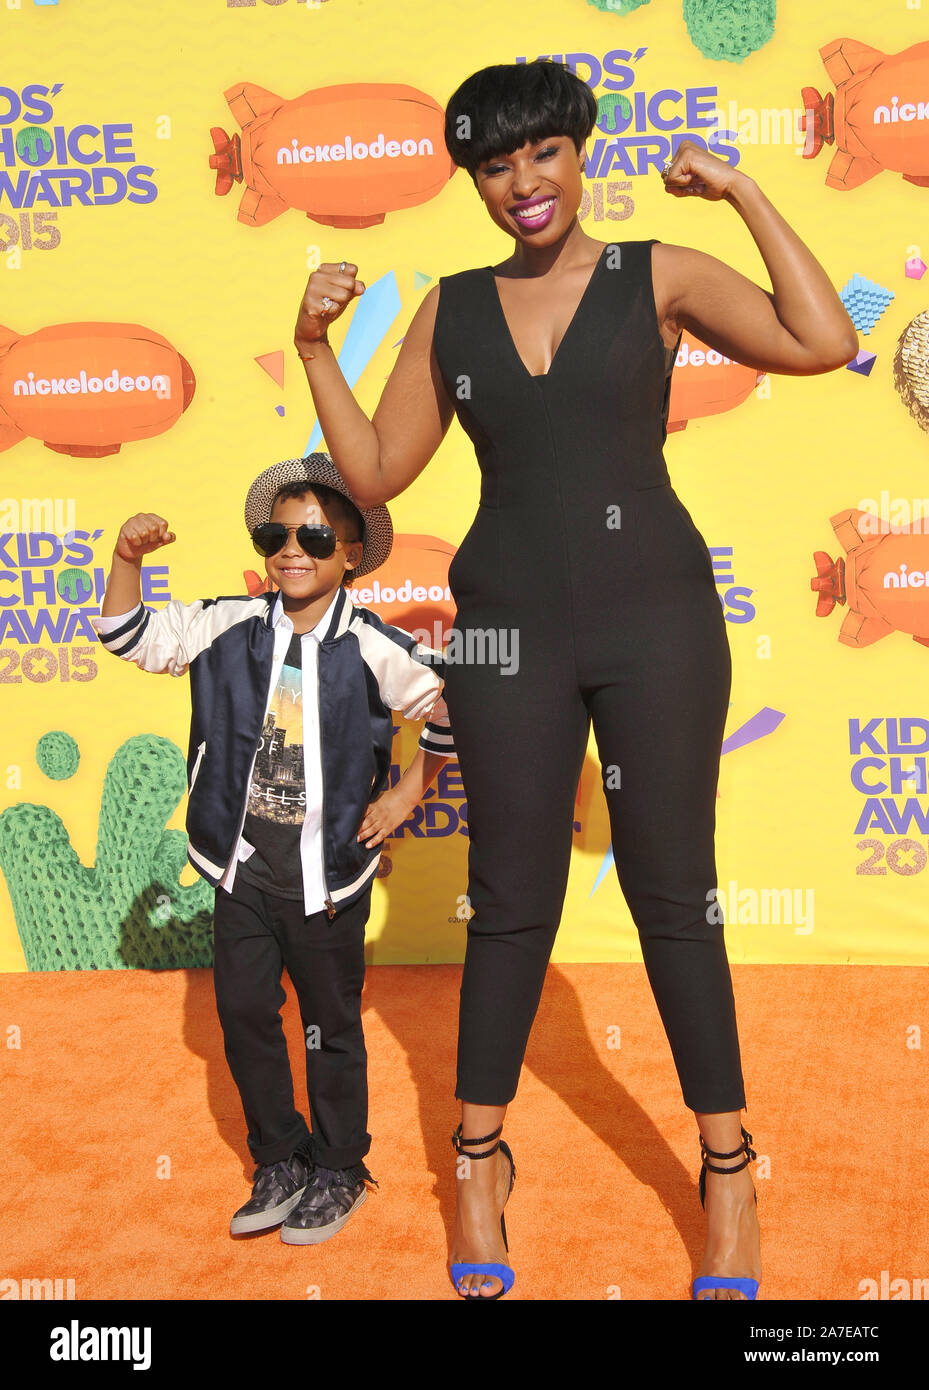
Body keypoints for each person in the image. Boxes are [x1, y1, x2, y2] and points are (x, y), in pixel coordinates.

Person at [291, 61, 858, 1298]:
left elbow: (825, 339)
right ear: (477, 182)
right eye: (494, 166)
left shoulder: (654, 273)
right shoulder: (451, 308)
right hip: (503, 631)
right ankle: (481, 1159)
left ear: (577, 152)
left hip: (657, 618)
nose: (521, 184)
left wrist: (744, 191)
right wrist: (314, 348)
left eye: (541, 153)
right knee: (507, 901)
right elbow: (376, 478)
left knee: (674, 897)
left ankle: (725, 1177)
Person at [91, 454, 455, 1244]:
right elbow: (124, 633)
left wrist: (408, 791)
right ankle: (279, 1159)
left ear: (351, 553)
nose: (292, 549)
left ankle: (338, 1166)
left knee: (329, 1025)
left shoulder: (371, 643)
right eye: (276, 534)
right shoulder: (226, 623)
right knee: (245, 1014)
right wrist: (127, 559)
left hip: (325, 878)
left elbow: (450, 703)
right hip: (239, 867)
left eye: (316, 536)